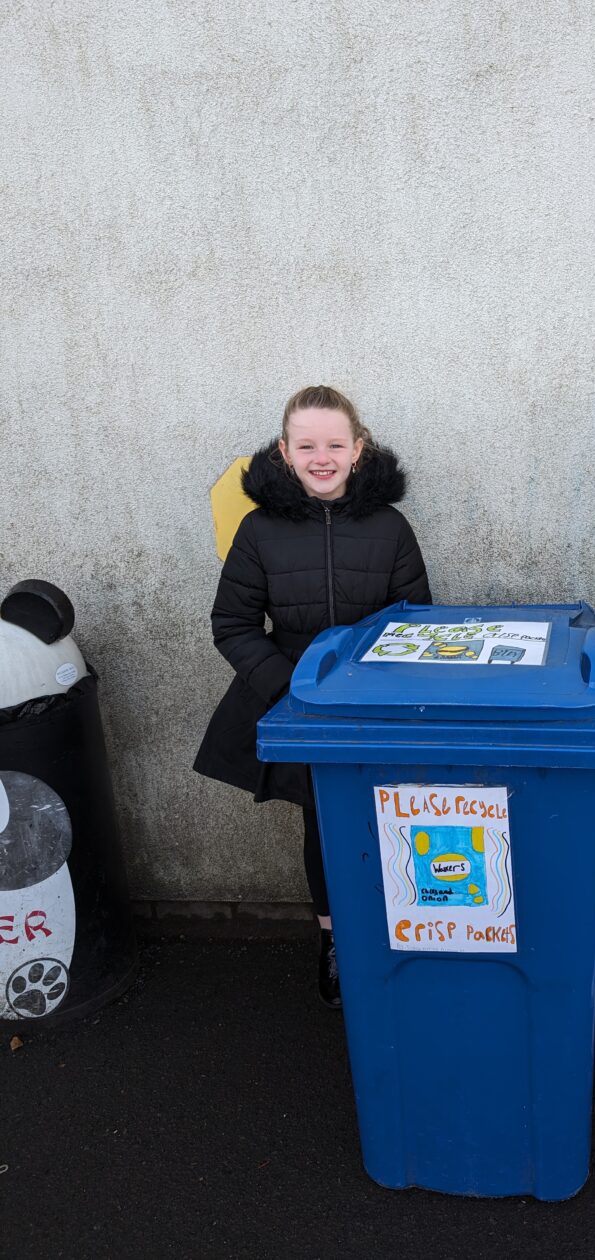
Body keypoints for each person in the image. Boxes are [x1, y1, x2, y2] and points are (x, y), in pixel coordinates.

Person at [194, 385, 431, 1006]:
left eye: (334, 443)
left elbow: (414, 622)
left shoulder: (389, 525)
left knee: (391, 819)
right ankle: (333, 939)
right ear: (285, 451)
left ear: (358, 448)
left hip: (377, 702)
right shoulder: (258, 529)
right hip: (295, 703)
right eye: (306, 445)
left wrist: (382, 689)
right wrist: (289, 689)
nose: (320, 456)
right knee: (323, 824)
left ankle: (401, 927)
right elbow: (233, 625)